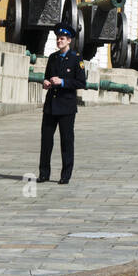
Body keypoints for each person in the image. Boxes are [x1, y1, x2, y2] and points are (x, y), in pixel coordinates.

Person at [38, 24, 86, 185]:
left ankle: (65, 175)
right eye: (58, 38)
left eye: (62, 38)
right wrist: (46, 82)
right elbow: (47, 76)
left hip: (66, 107)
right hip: (51, 105)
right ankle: (43, 173)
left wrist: (63, 81)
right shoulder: (52, 57)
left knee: (66, 141)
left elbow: (81, 82)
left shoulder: (76, 58)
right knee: (46, 141)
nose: (59, 41)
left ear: (69, 41)